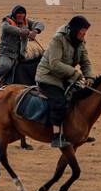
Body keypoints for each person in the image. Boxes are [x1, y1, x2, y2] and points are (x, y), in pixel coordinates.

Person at [35, 15, 94, 148]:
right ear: (75, 30)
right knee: (59, 102)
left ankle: (77, 132)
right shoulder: (58, 39)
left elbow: (85, 61)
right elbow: (54, 64)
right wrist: (74, 73)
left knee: (80, 98)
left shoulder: (80, 42)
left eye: (85, 31)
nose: (84, 34)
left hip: (65, 77)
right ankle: (56, 136)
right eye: (82, 31)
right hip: (48, 76)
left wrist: (89, 77)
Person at [0, 5, 44, 94]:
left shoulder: (26, 21)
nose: (20, 16)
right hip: (6, 53)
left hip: (21, 54)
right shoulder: (7, 21)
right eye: (18, 15)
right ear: (14, 15)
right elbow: (7, 28)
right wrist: (25, 31)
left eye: (22, 14)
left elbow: (40, 24)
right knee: (5, 66)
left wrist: (35, 31)